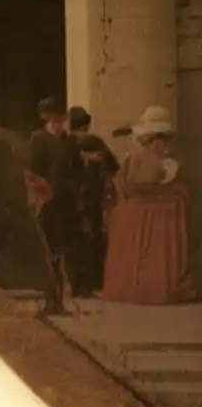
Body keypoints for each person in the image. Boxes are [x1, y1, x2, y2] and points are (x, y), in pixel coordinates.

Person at [103, 106, 196, 305]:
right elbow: (150, 186)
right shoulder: (152, 158)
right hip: (151, 209)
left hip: (131, 210)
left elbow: (128, 184)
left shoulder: (132, 155)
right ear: (158, 139)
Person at [25, 97, 80, 312]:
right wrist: (42, 194)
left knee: (62, 249)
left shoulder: (68, 142)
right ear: (46, 121)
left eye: (60, 120)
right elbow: (31, 172)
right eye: (53, 121)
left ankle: (59, 297)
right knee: (48, 249)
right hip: (47, 202)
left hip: (66, 201)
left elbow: (74, 170)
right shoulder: (38, 140)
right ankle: (51, 298)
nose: (57, 125)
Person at [67, 106, 119, 296]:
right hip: (92, 198)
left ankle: (76, 283)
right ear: (87, 124)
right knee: (93, 239)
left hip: (71, 199)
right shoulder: (94, 142)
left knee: (74, 242)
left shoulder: (65, 143)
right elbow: (113, 167)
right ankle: (92, 281)